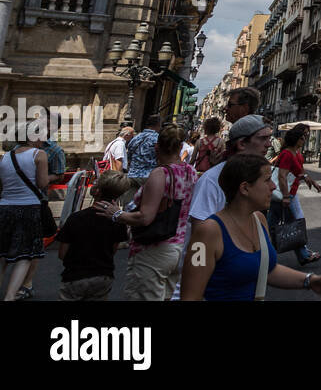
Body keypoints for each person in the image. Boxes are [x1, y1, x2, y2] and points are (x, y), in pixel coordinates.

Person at [181, 154, 321, 301]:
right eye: (267, 180)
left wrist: (309, 280)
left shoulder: (259, 220)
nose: (273, 186)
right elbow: (190, 297)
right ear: (245, 188)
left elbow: (267, 269)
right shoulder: (207, 233)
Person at [100, 124, 197, 300]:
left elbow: (145, 217)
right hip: (178, 246)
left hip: (154, 249)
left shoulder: (160, 174)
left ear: (157, 147)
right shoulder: (190, 171)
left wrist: (116, 214)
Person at [54, 171, 132, 300]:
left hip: (74, 276)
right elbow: (113, 250)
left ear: (97, 191)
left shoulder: (76, 219)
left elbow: (62, 254)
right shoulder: (118, 222)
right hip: (103, 275)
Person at [0, 135, 49, 300]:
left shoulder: (5, 156)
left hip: (5, 207)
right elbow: (42, 184)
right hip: (29, 207)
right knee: (25, 255)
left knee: (2, 253)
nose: (44, 139)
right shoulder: (39, 154)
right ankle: (9, 296)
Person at [273, 124, 321, 265]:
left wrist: (312, 182)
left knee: (280, 225)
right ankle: (303, 254)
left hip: (290, 193)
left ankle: (303, 255)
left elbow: (300, 170)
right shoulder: (288, 154)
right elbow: (282, 176)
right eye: (303, 137)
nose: (305, 139)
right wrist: (286, 196)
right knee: (296, 223)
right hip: (286, 194)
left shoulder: (295, 153)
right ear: (296, 139)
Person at [125, 114, 162, 189]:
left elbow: (129, 157)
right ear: (158, 125)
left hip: (133, 175)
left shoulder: (135, 138)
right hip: (149, 177)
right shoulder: (159, 139)